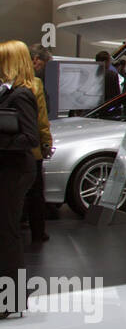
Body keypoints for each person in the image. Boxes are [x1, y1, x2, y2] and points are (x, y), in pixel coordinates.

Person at [0, 41, 41, 319]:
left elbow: (30, 137)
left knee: (7, 232)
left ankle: (11, 299)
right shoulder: (11, 93)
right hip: (9, 169)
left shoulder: (22, 95)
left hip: (15, 170)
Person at [22, 58, 53, 245]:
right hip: (31, 149)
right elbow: (41, 119)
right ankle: (38, 232)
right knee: (35, 192)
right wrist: (46, 142)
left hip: (8, 148)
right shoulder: (34, 84)